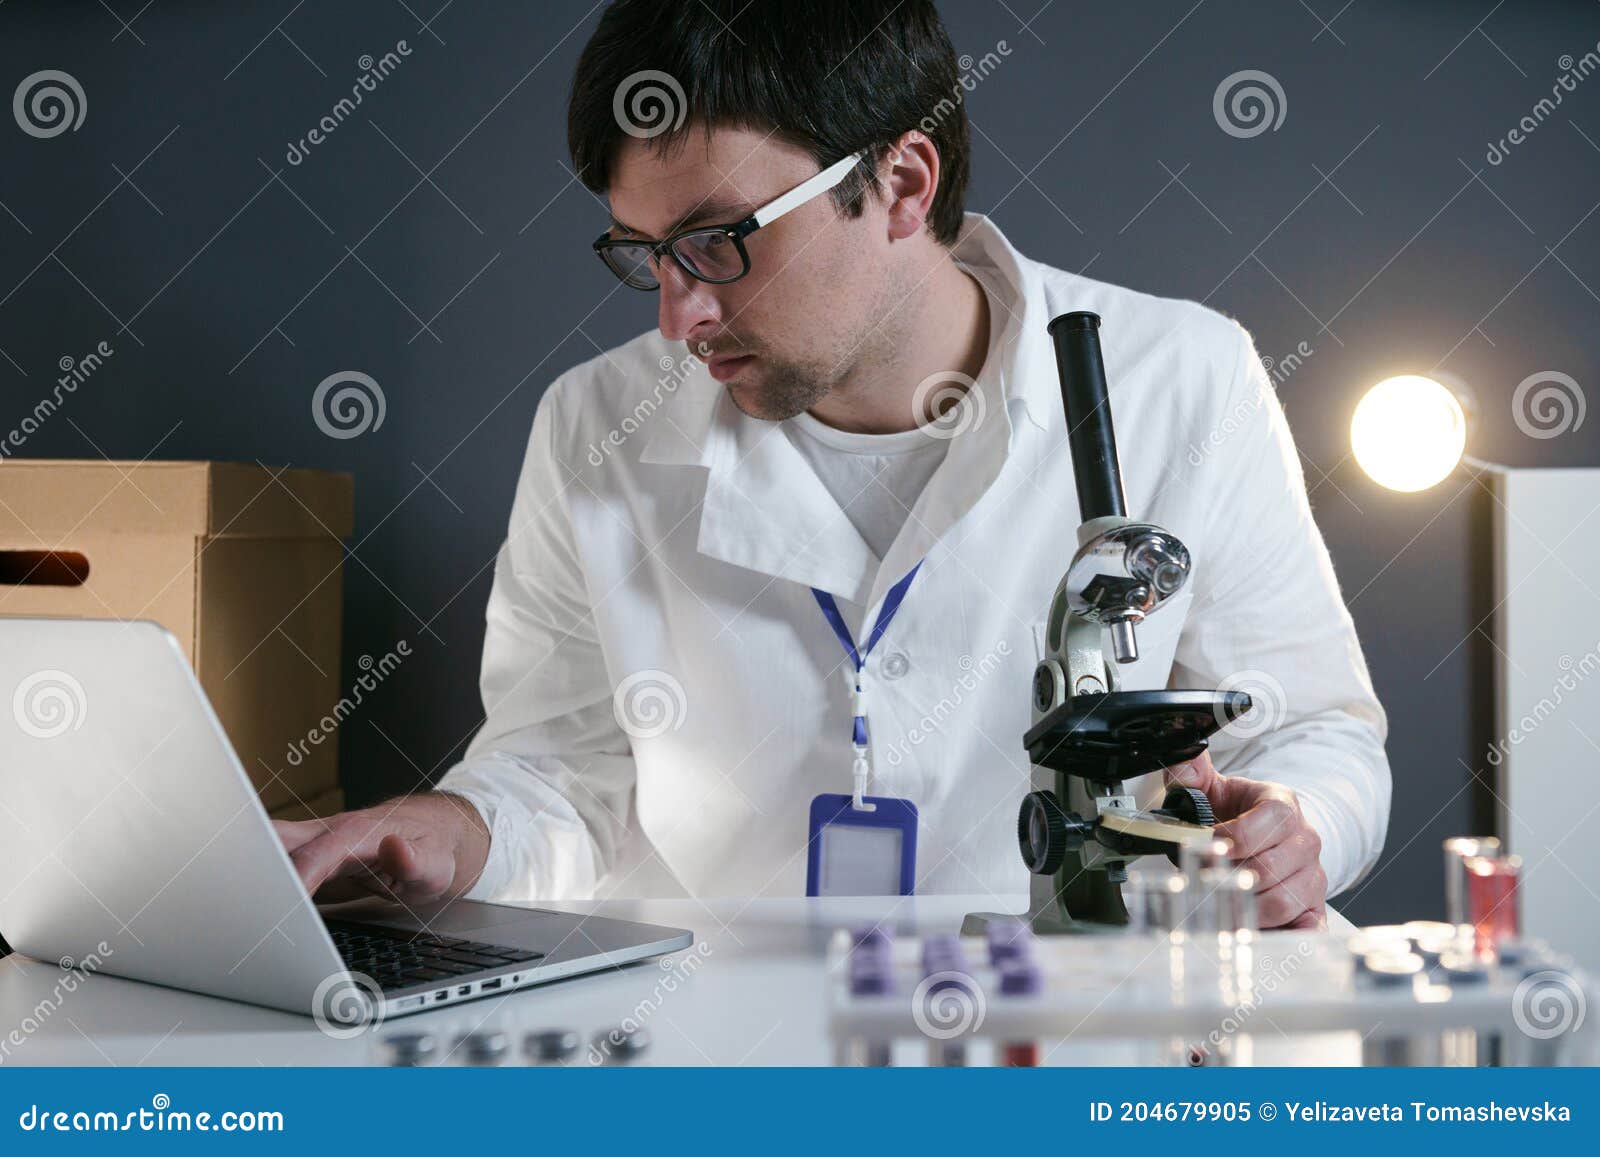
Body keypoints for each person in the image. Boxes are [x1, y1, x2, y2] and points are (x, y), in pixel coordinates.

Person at [275, 0, 1389, 930]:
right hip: (720, 1041)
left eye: (719, 240)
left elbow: (1315, 733)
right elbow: (562, 776)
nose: (679, 315)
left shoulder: (1177, 377)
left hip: (1064, 1016)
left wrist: (1297, 823)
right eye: (642, 253)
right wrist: (452, 832)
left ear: (903, 182)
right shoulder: (595, 423)